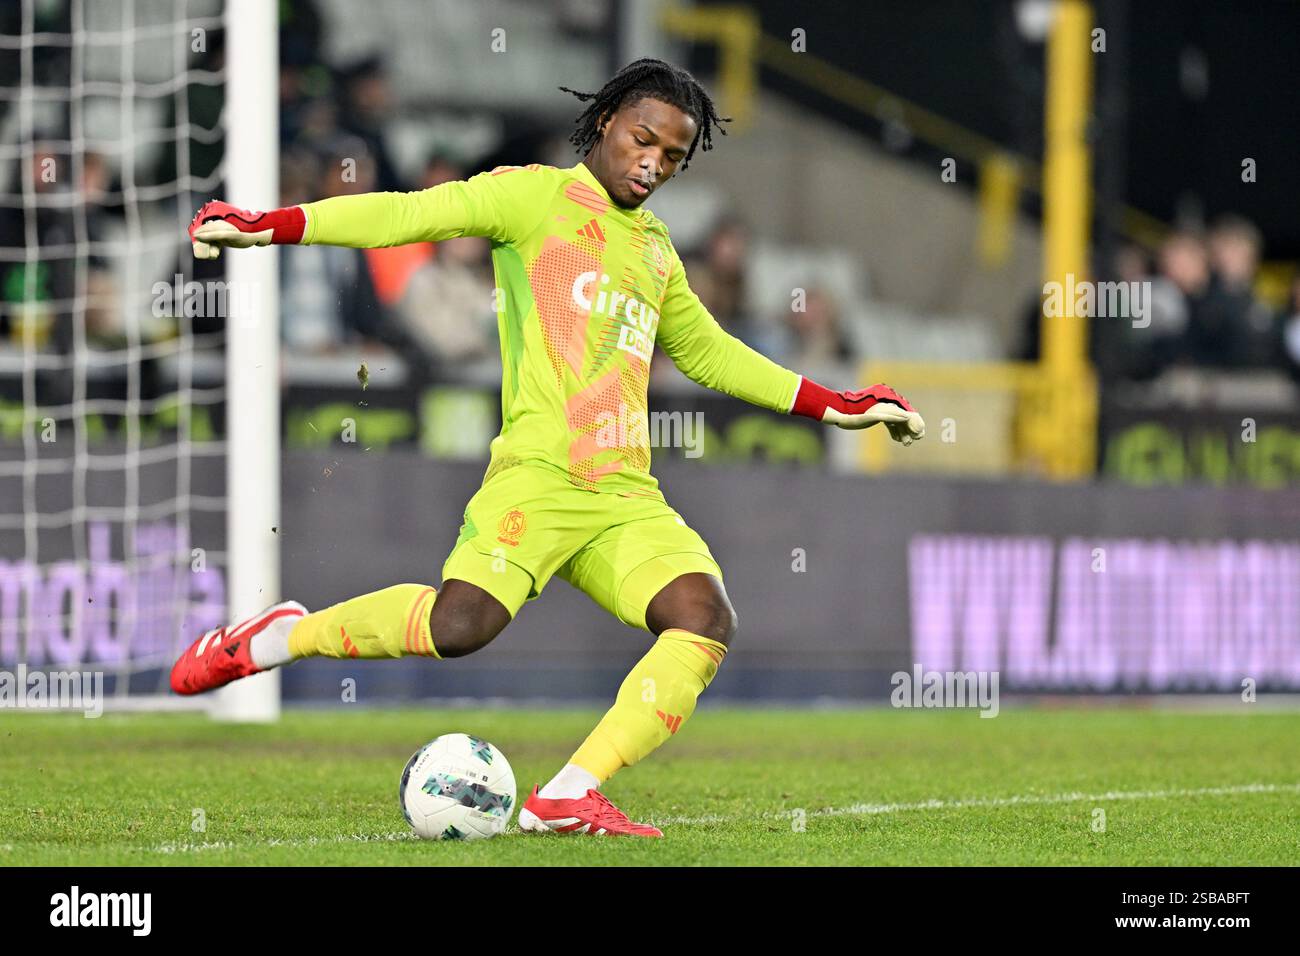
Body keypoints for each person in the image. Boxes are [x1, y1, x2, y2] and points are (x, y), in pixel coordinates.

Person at [171, 58, 925, 837]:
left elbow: (710, 354)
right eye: (642, 140)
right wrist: (276, 225)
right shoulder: (532, 197)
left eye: (671, 157)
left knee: (703, 615)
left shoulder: (658, 251)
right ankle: (279, 635)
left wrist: (835, 404)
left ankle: (568, 790)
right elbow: (405, 215)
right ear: (605, 125)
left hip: (625, 495)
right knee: (456, 630)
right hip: (537, 477)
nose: (652, 164)